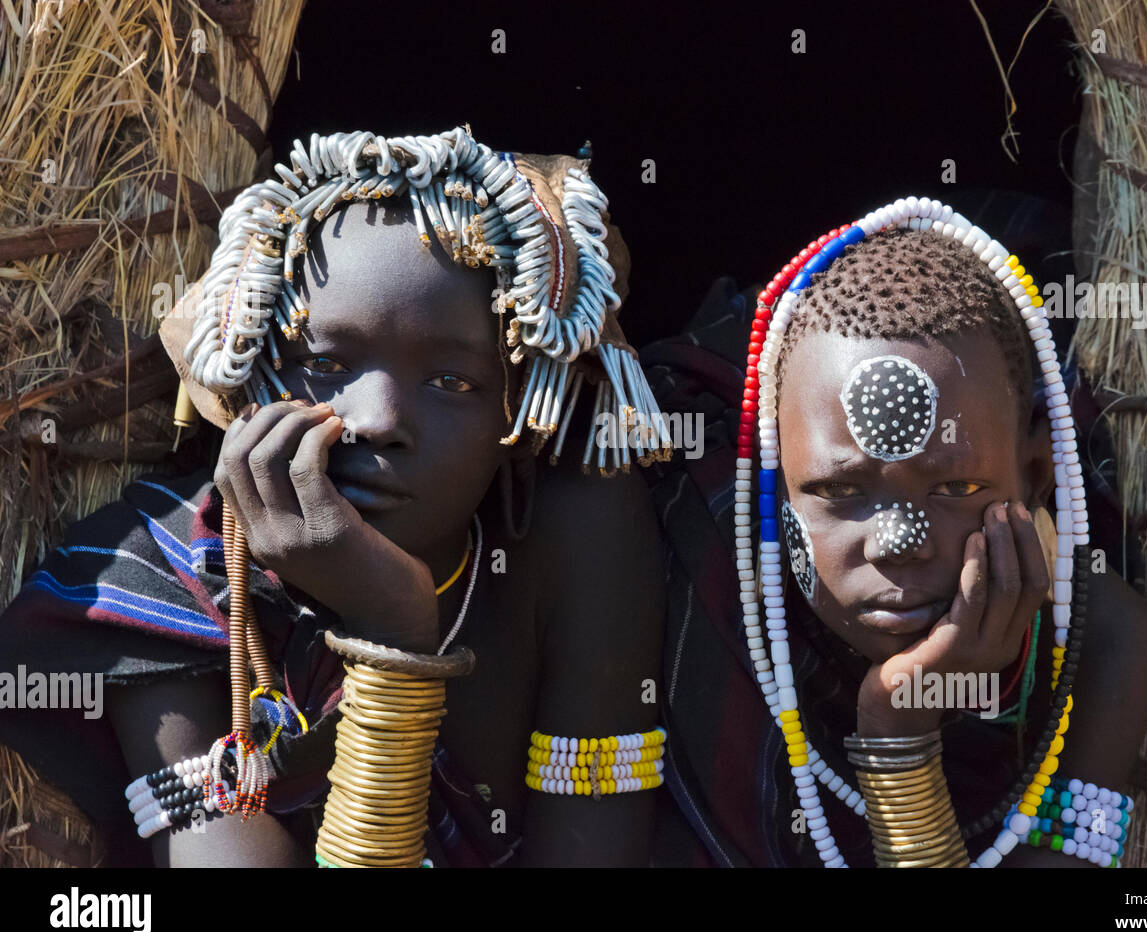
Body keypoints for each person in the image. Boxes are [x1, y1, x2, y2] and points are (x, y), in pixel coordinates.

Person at [0, 129, 666, 867]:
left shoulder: (575, 533)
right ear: (253, 375)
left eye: (453, 381)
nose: (377, 418)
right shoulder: (162, 582)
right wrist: (392, 633)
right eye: (322, 363)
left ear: (521, 414)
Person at [650, 197, 1147, 867]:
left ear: (1036, 476)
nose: (898, 539)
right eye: (841, 491)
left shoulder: (1101, 646)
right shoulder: (703, 575)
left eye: (954, 489)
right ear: (776, 488)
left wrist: (898, 722)